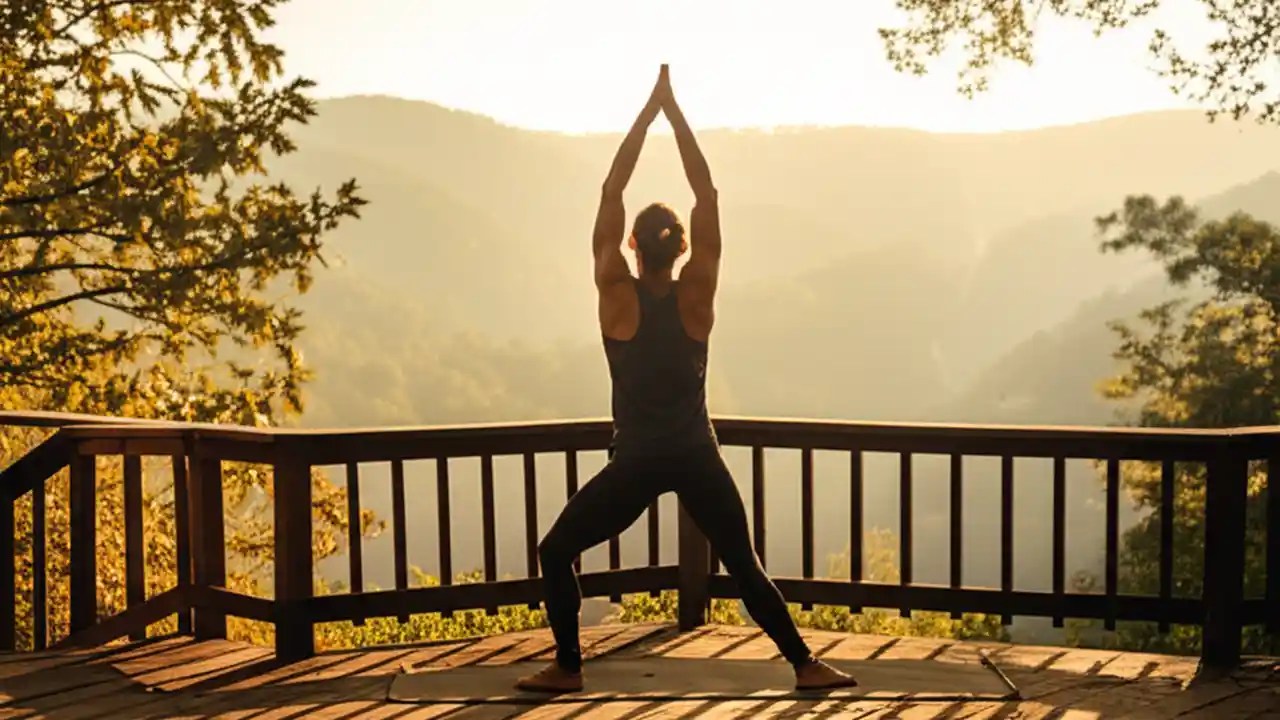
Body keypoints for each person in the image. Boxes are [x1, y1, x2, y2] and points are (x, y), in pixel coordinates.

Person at [516, 65, 858, 694]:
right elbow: (708, 199)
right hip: (698, 455)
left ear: (630, 246)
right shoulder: (697, 294)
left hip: (638, 461)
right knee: (746, 565)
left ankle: (567, 667)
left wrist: (646, 116)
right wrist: (676, 117)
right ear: (679, 250)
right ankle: (805, 664)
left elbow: (609, 191)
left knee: (556, 550)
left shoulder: (613, 293)